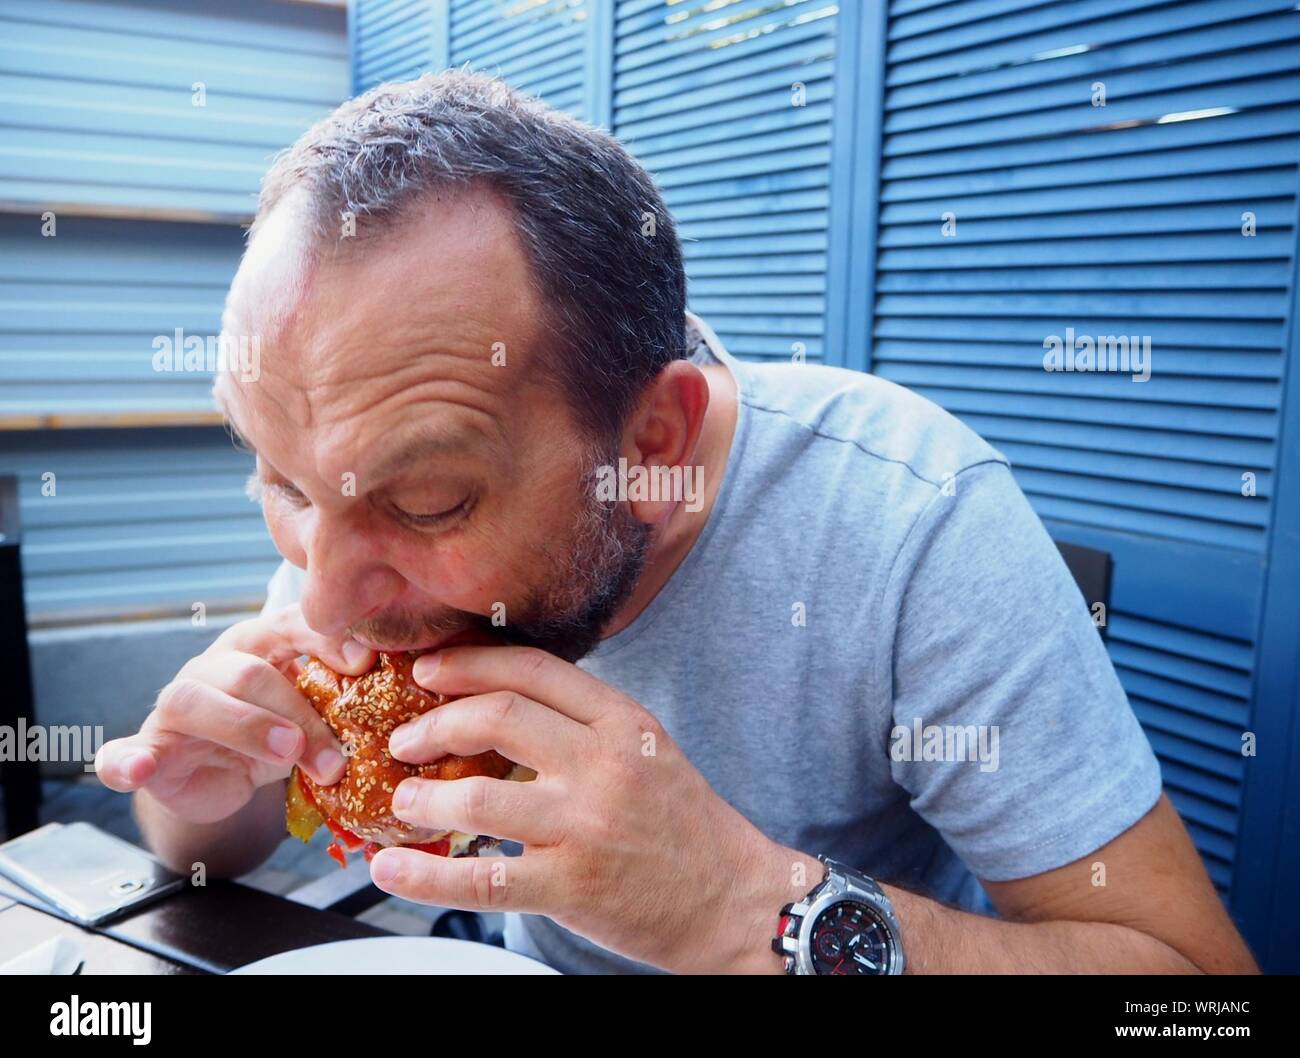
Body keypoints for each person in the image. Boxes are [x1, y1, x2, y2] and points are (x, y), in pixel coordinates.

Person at [95, 72, 1256, 975]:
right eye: (284, 485)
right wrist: (212, 795)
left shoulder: (909, 519)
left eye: (430, 503)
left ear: (649, 448)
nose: (323, 597)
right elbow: (202, 848)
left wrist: (746, 911)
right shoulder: (361, 527)